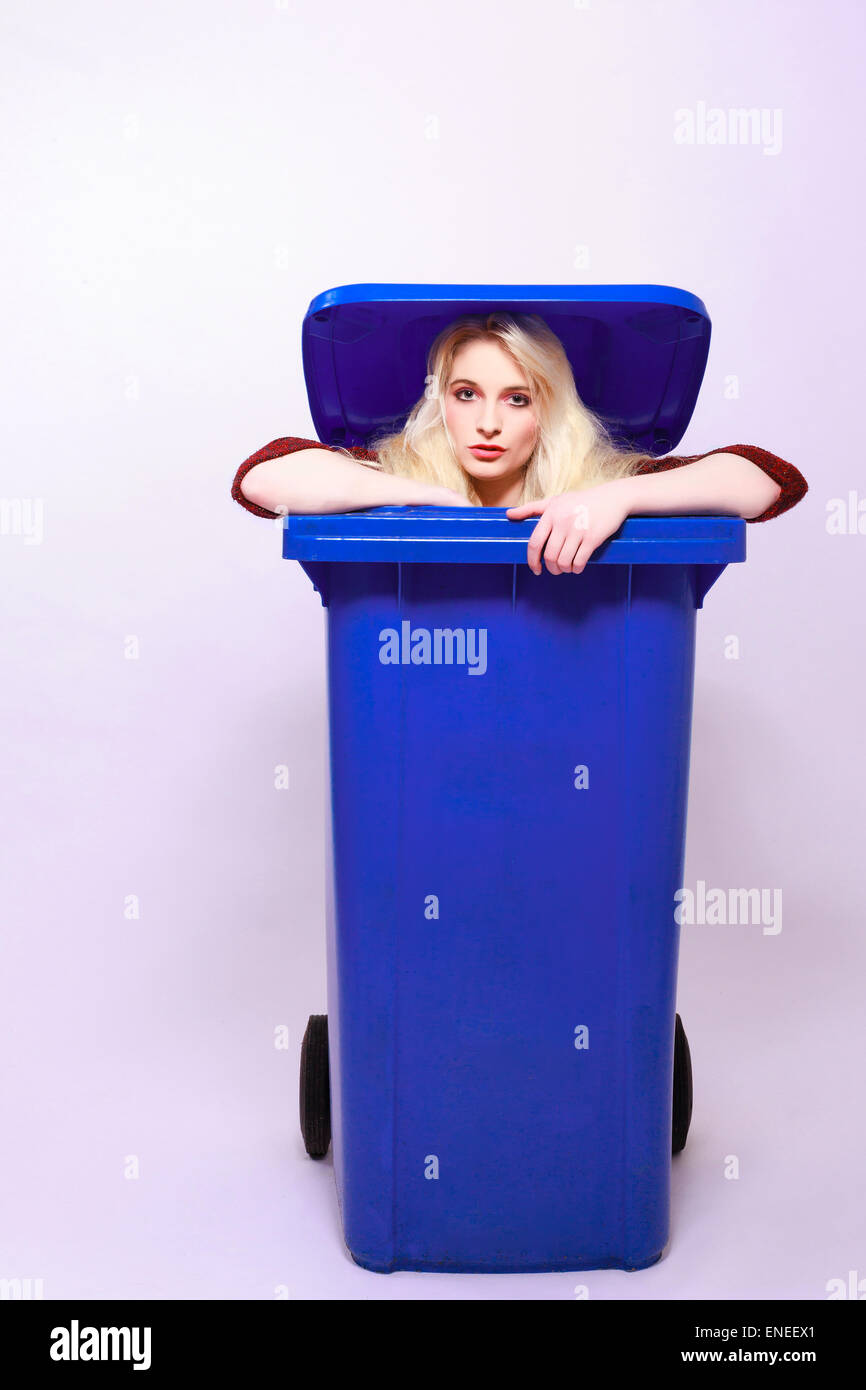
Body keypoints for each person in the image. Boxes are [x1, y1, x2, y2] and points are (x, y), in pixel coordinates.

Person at [231, 313, 808, 576]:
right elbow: (259, 479)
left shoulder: (601, 479)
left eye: (518, 398)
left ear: (548, 411)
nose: (487, 422)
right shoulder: (395, 471)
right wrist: (415, 493)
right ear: (439, 401)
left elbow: (769, 480)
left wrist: (618, 500)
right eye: (465, 394)